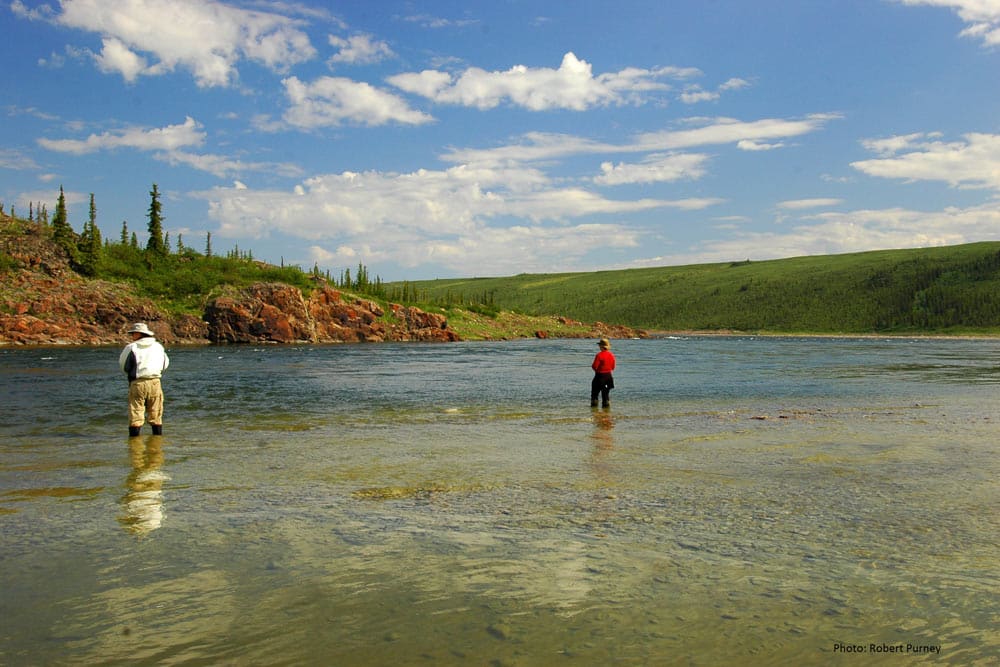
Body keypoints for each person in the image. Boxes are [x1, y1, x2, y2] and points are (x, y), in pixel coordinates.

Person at [119, 323, 169, 437]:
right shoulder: (158, 346)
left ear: (138, 334)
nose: (132, 336)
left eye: (133, 334)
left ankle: (135, 446)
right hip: (155, 382)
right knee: (156, 414)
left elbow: (123, 366)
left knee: (136, 414)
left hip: (138, 383)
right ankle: (156, 444)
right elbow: (165, 364)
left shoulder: (131, 347)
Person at [590, 337, 616, 408]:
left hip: (599, 377)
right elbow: (613, 367)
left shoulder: (599, 355)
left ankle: (594, 412)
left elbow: (594, 366)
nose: (599, 347)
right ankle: (606, 414)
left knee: (594, 394)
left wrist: (598, 371)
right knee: (606, 395)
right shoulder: (611, 355)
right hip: (609, 377)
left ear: (601, 346)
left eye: (599, 345)